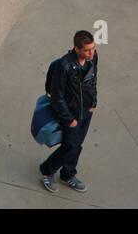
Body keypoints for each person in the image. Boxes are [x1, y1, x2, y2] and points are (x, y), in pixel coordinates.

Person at [38, 30, 98, 194]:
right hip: (70, 114)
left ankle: (68, 174)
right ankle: (47, 170)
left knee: (76, 145)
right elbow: (57, 96)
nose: (91, 53)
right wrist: (69, 119)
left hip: (86, 111)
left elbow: (93, 80)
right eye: (87, 50)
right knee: (70, 145)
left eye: (93, 48)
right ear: (76, 49)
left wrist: (94, 102)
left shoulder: (93, 58)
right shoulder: (64, 66)